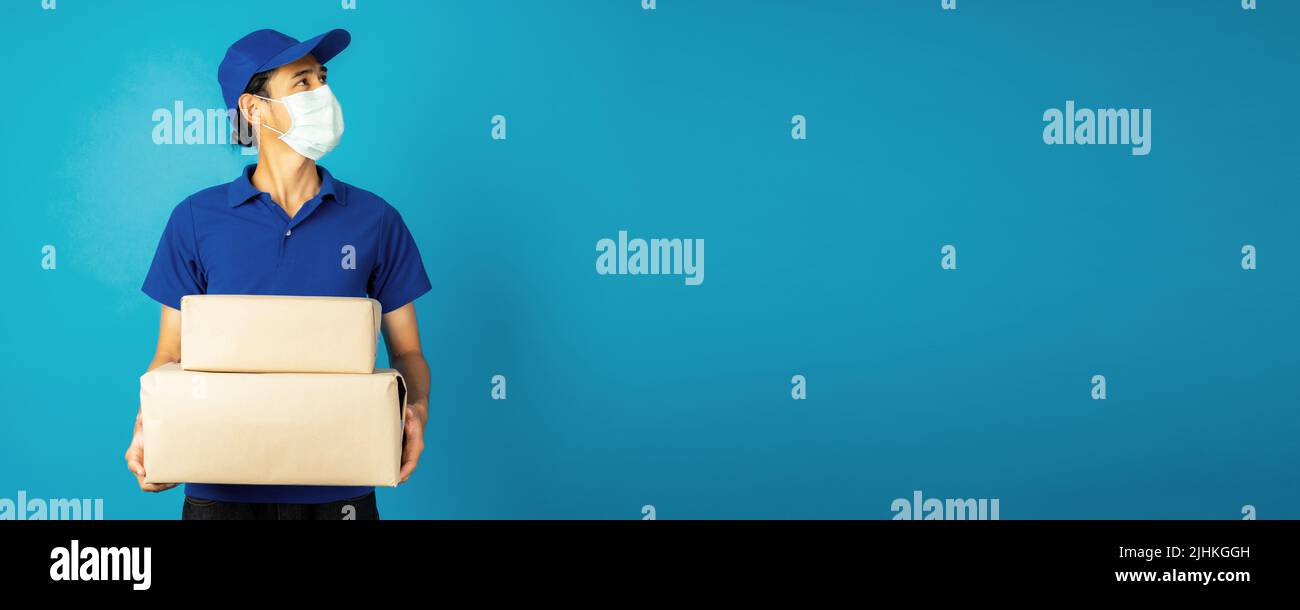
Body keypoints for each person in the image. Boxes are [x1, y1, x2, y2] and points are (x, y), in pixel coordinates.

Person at [123, 28, 432, 520]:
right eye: (303, 82)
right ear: (254, 109)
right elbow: (170, 356)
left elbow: (409, 351)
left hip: (341, 492)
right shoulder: (196, 219)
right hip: (219, 493)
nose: (323, 94)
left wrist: (413, 410)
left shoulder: (375, 219)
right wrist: (152, 429)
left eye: (324, 79)